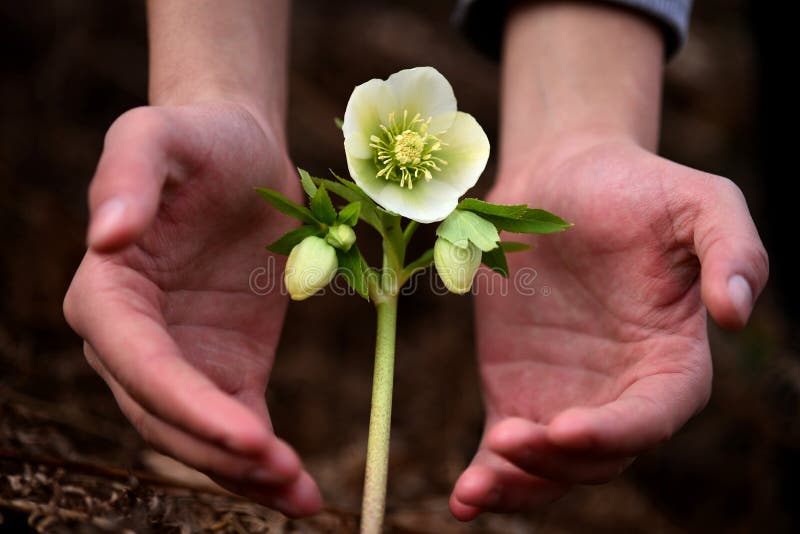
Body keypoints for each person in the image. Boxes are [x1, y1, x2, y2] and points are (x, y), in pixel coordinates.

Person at [63, 0, 768, 521]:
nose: (405, 150)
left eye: (414, 148)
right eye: (396, 146)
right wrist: (212, 88)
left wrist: (585, 132)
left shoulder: (439, 179)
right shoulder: (374, 151)